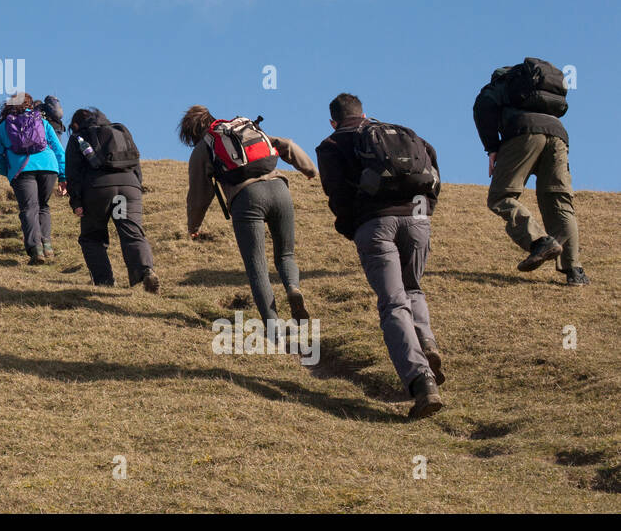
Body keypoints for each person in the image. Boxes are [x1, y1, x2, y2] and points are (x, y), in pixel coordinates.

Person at [315, 93, 445, 419]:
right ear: (364, 114)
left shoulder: (331, 145)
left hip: (376, 226)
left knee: (392, 302)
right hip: (418, 221)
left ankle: (421, 381)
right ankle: (426, 343)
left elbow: (338, 195)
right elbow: (432, 167)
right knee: (413, 287)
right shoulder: (401, 133)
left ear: (334, 120)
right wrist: (423, 212)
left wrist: (353, 227)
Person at [178, 106, 317, 326]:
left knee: (257, 267)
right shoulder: (243, 128)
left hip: (247, 198)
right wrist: (309, 170)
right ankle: (293, 288)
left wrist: (193, 226)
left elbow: (198, 195)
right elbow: (286, 144)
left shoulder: (204, 147)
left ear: (192, 133)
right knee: (286, 255)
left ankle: (274, 327)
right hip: (280, 190)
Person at [473, 58, 586, 285]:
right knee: (559, 202)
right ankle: (575, 271)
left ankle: (539, 241)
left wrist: (492, 148)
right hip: (558, 135)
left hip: (523, 132)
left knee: (501, 196)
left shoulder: (500, 84)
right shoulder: (543, 90)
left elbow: (482, 107)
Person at [66, 108, 159, 292]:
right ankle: (146, 271)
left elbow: (73, 171)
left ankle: (105, 282)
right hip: (129, 187)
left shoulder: (79, 137)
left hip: (98, 190)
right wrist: (135, 188)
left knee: (92, 237)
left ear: (76, 124)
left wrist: (76, 201)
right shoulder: (120, 132)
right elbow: (136, 164)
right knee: (132, 233)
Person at [0, 91, 66, 266]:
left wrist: (10, 171)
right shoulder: (43, 122)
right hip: (49, 167)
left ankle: (35, 250)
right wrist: (63, 175)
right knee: (43, 206)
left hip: (22, 170)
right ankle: (47, 246)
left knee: (29, 209)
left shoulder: (3, 127)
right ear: (30, 104)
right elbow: (58, 150)